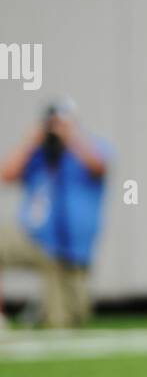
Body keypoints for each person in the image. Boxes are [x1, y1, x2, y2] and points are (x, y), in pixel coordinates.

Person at [0, 100, 110, 328]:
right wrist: (31, 141)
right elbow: (7, 174)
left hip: (72, 251)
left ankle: (43, 308)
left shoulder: (91, 147)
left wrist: (71, 138)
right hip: (36, 239)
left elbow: (99, 166)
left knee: (64, 322)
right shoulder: (39, 154)